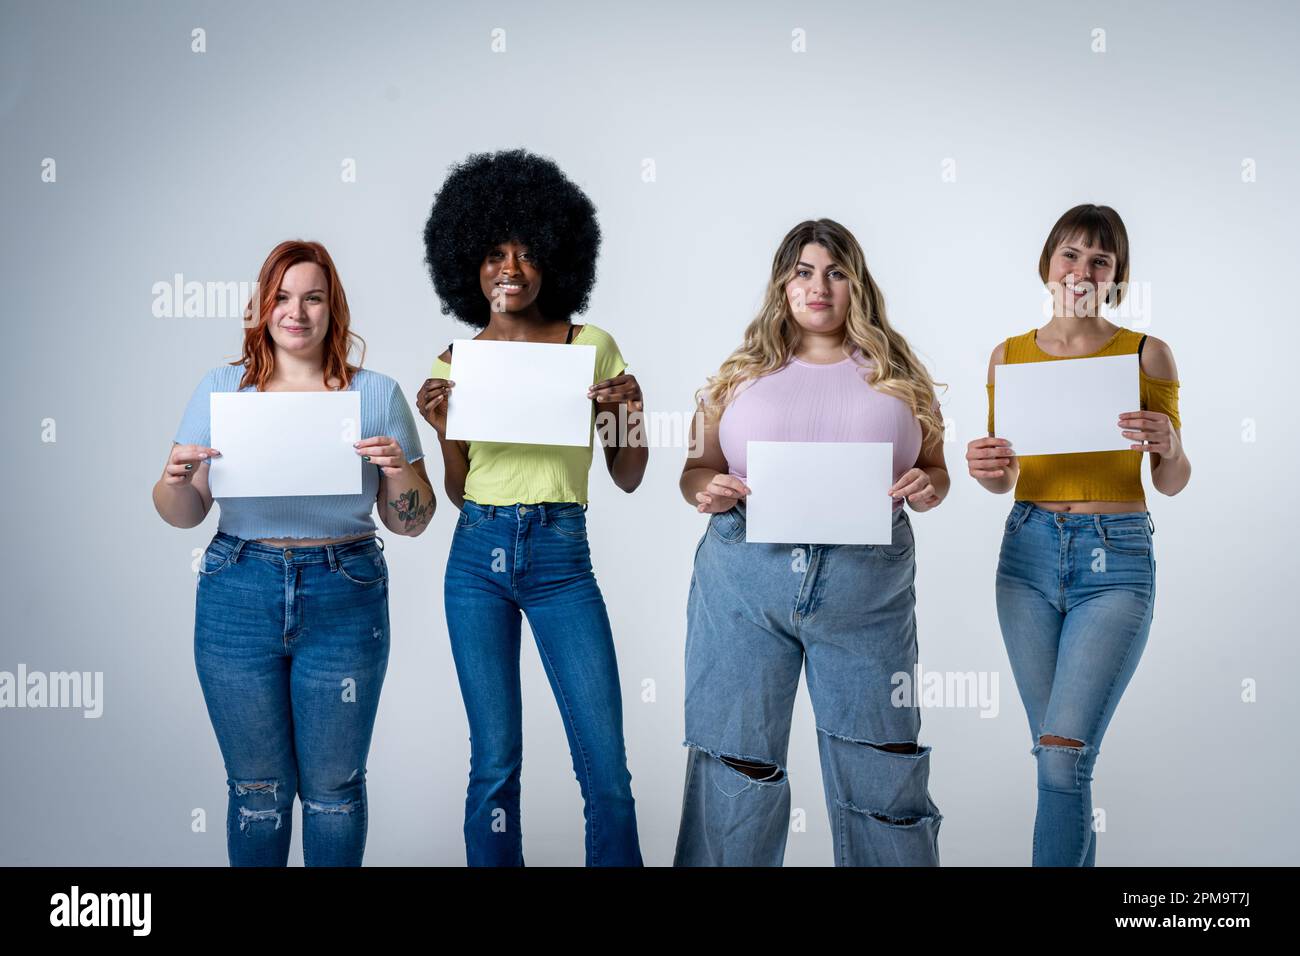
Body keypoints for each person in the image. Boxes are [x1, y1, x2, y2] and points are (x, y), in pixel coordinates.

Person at [674, 218, 948, 866]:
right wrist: (705, 490)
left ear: (857, 283)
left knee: (884, 763)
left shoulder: (900, 374)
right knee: (734, 763)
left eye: (835, 271)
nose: (818, 286)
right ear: (782, 284)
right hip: (743, 581)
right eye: (803, 271)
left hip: (866, 587)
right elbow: (693, 472)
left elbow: (936, 474)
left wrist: (928, 487)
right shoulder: (735, 376)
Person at [154, 239, 434, 866]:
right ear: (262, 305)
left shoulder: (376, 393)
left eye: (312, 298)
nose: (296, 313)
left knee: (334, 790)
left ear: (334, 307)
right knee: (258, 791)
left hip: (345, 589)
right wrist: (174, 481)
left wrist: (397, 474)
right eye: (282, 297)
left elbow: (410, 521)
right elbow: (184, 513)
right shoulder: (224, 387)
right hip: (238, 588)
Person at [418, 149, 646, 866]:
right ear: (468, 265)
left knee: (605, 772)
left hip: (559, 557)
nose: (509, 268)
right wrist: (441, 430)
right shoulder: (454, 362)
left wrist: (630, 410)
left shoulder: (590, 345)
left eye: (526, 253)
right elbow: (460, 490)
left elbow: (630, 475)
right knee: (494, 766)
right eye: (493, 253)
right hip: (475, 557)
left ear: (556, 261)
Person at [966, 203, 1190, 866]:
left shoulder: (1147, 353)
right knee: (1057, 761)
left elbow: (1171, 481)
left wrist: (1171, 445)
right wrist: (984, 469)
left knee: (1063, 761)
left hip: (1116, 559)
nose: (1082, 269)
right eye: (1070, 254)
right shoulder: (1009, 355)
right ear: (1047, 264)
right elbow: (1004, 480)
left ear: (1118, 275)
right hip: (1027, 555)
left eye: (1100, 259)